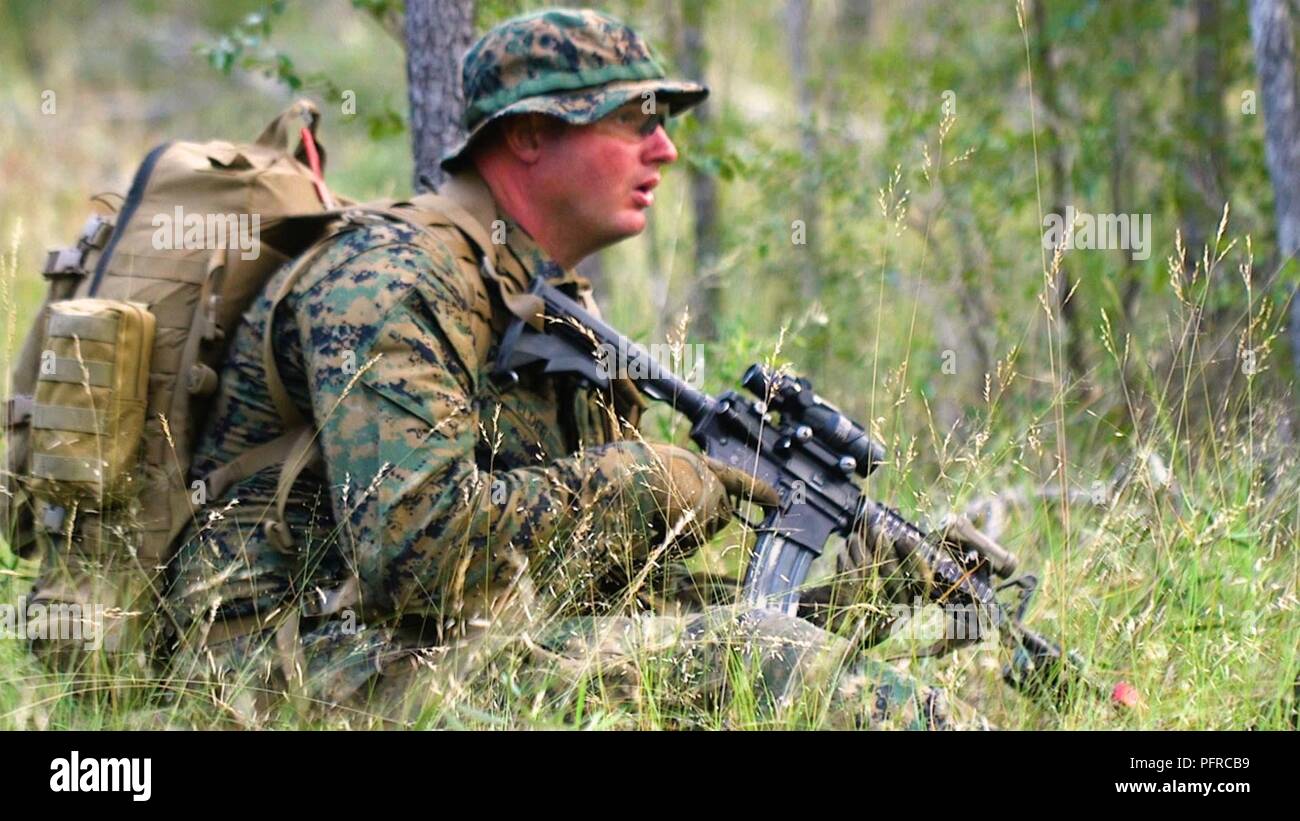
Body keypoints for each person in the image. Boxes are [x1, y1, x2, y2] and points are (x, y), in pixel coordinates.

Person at [165, 7, 985, 730]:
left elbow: (595, 603)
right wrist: (644, 483)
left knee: (778, 657)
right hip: (282, 676)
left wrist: (846, 604)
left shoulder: (537, 297)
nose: (664, 149)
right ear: (528, 135)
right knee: (789, 671)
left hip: (423, 648)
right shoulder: (391, 278)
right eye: (633, 120)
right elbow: (414, 552)